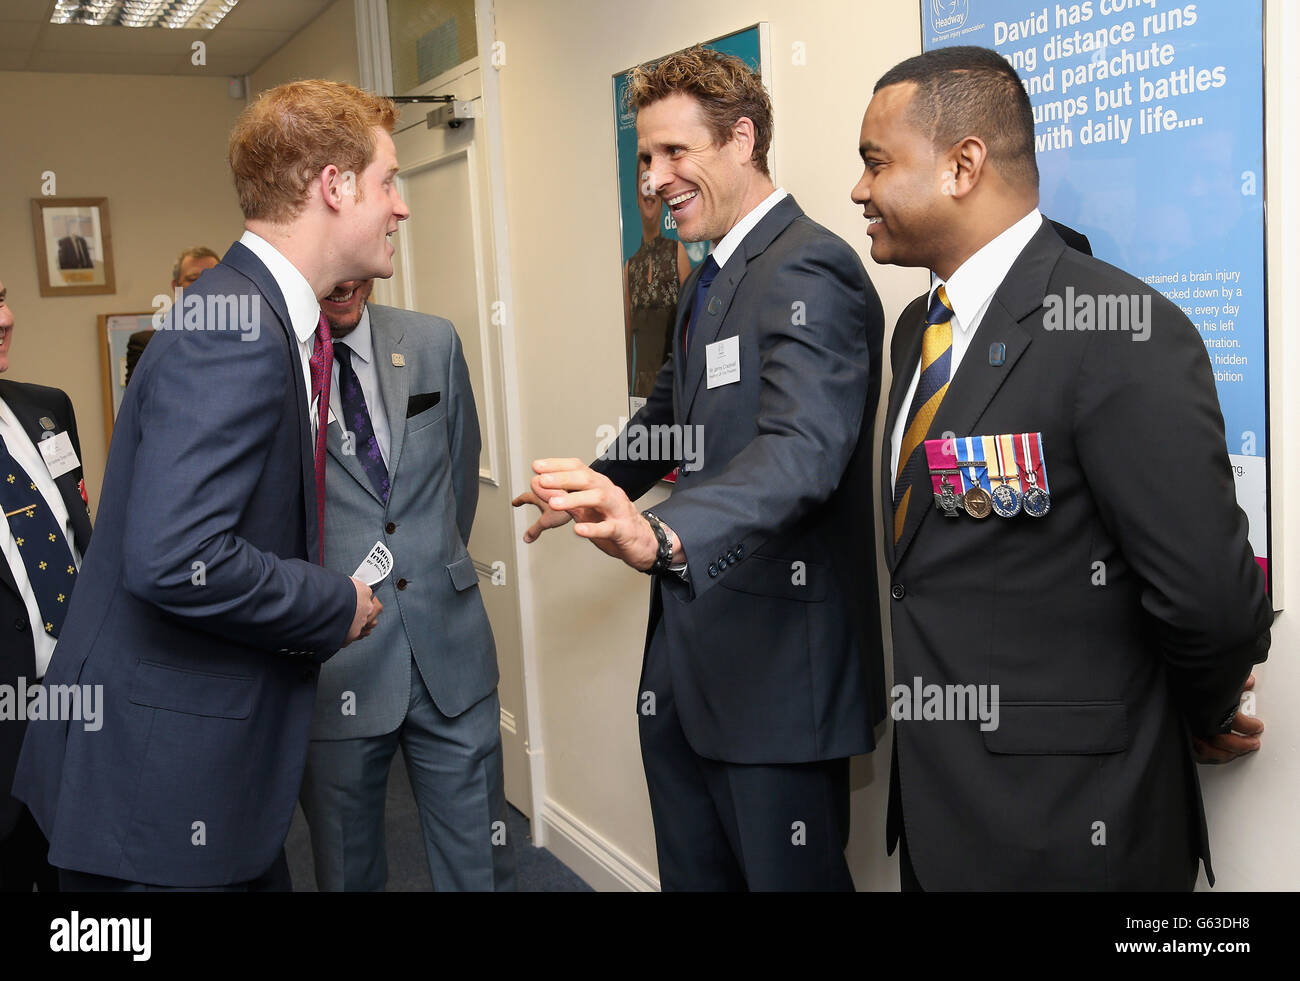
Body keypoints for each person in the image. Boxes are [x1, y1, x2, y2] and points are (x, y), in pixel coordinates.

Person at [853, 46, 1271, 890]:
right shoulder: (915, 332)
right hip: (937, 810)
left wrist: (1203, 708)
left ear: (964, 164)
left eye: (875, 163)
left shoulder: (1118, 330)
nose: (859, 190)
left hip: (1075, 831)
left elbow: (1211, 600)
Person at [13, 79, 401, 891]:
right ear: (334, 186)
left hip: (196, 776)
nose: (400, 207)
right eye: (389, 182)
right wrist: (334, 603)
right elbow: (175, 555)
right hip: (156, 795)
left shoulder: (254, 313)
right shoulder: (233, 331)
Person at [514, 46, 885, 891]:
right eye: (645, 157)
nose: (654, 177)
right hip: (690, 660)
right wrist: (596, 482)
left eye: (674, 153)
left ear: (742, 138)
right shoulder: (710, 275)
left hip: (777, 675)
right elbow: (671, 423)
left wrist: (664, 532)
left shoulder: (808, 266)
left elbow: (803, 452)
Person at [299, 278, 515, 891]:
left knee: (482, 862)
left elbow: (459, 478)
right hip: (336, 662)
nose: (344, 283)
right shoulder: (270, 357)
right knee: (347, 868)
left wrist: (431, 569)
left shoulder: (430, 341)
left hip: (450, 646)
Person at [0, 278, 91, 892]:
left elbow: (80, 537)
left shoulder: (47, 409)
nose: (6, 317)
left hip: (83, 711)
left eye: (3, 296)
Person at [624, 167, 690, 396]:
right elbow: (627, 343)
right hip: (641, 393)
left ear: (662, 198)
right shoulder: (629, 268)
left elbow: (693, 329)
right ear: (636, 197)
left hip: (674, 388)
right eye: (643, 185)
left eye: (653, 186)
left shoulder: (678, 252)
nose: (649, 193)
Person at [124, 246, 220, 387]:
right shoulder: (146, 345)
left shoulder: (243, 341)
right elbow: (140, 402)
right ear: (176, 287)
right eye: (193, 279)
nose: (202, 285)